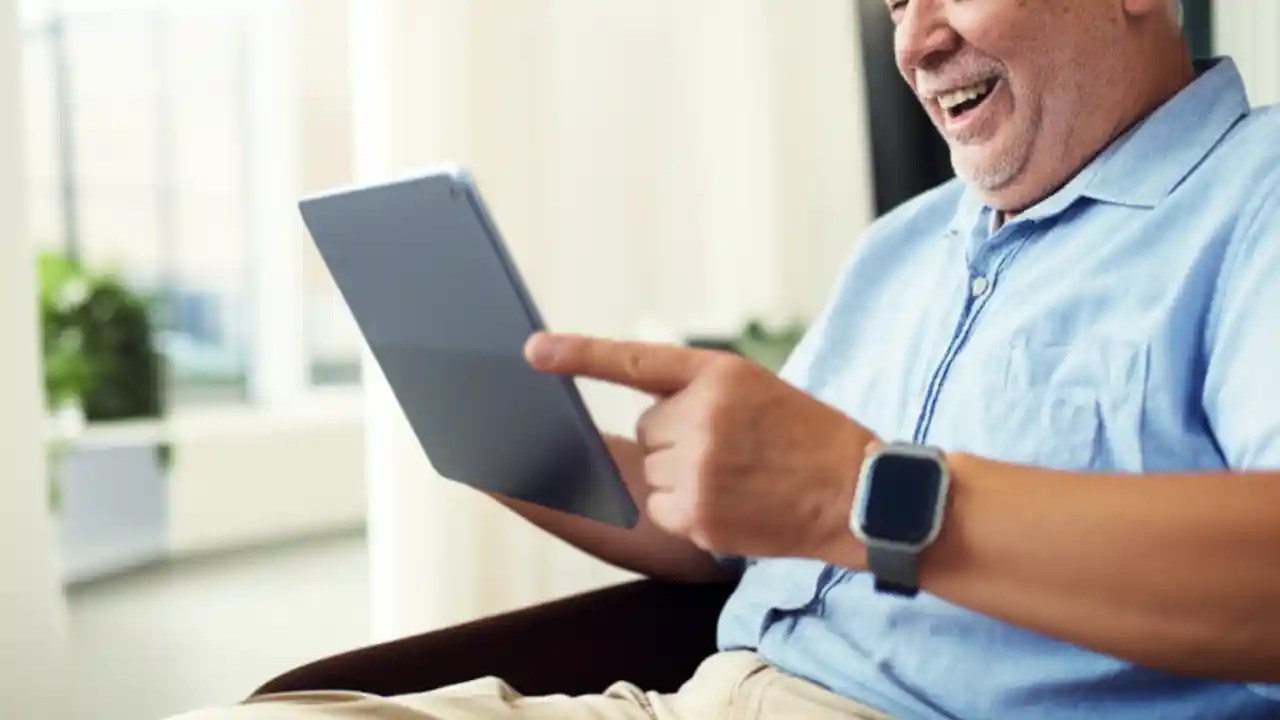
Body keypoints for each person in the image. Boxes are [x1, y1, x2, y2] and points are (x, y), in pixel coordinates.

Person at [177, 0, 1280, 717]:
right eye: (895, 1)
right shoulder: (901, 246)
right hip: (690, 695)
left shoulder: (1254, 198)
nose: (915, 38)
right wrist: (505, 443)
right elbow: (736, 538)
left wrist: (851, 498)